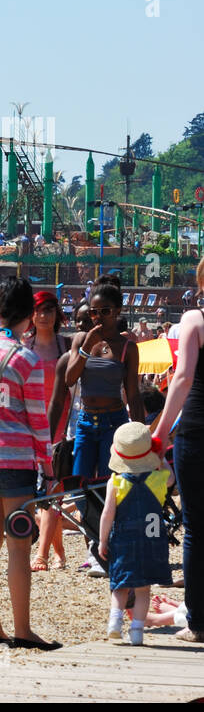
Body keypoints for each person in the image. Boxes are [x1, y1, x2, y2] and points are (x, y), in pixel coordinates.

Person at [0, 277, 58, 650]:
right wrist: (48, 470)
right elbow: (38, 420)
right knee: (19, 546)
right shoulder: (27, 359)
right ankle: (23, 630)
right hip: (15, 460)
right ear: (31, 317)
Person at [151, 257, 204, 642]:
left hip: (198, 430)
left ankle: (199, 623)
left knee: (197, 529)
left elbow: (182, 378)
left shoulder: (194, 320)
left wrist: (161, 432)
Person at [98, 423, 174, 646]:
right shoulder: (158, 480)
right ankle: (138, 631)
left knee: (120, 584)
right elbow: (170, 478)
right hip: (152, 540)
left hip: (124, 540)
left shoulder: (116, 482)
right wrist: (160, 458)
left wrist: (103, 540)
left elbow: (107, 514)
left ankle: (114, 622)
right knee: (143, 589)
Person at [62, 276, 143, 485]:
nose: (98, 317)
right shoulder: (81, 340)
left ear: (117, 311)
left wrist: (142, 436)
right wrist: (87, 347)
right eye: (93, 312)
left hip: (114, 422)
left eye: (105, 311)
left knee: (111, 484)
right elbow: (69, 379)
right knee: (79, 485)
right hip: (86, 421)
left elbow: (133, 394)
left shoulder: (128, 348)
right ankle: (90, 519)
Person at [24, 290, 70, 571]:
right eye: (39, 310)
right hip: (28, 426)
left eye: (49, 310)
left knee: (54, 491)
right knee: (42, 493)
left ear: (57, 314)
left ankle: (41, 554)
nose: (43, 315)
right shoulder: (23, 346)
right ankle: (59, 553)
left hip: (60, 426)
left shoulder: (66, 345)